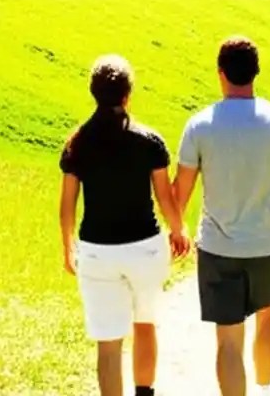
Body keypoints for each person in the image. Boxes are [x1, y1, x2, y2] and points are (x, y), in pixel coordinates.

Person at [173, 36, 270, 396]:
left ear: (220, 74)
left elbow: (181, 190)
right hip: (269, 243)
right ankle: (267, 389)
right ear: (256, 73)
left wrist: (177, 230)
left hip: (219, 248)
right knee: (269, 315)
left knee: (228, 341)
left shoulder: (200, 125)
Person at [59, 55, 191, 396]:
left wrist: (67, 245)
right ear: (127, 95)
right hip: (144, 248)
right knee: (145, 323)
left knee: (108, 344)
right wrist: (178, 230)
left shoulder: (77, 143)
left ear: (94, 93)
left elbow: (67, 204)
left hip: (96, 252)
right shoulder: (149, 141)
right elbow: (164, 197)